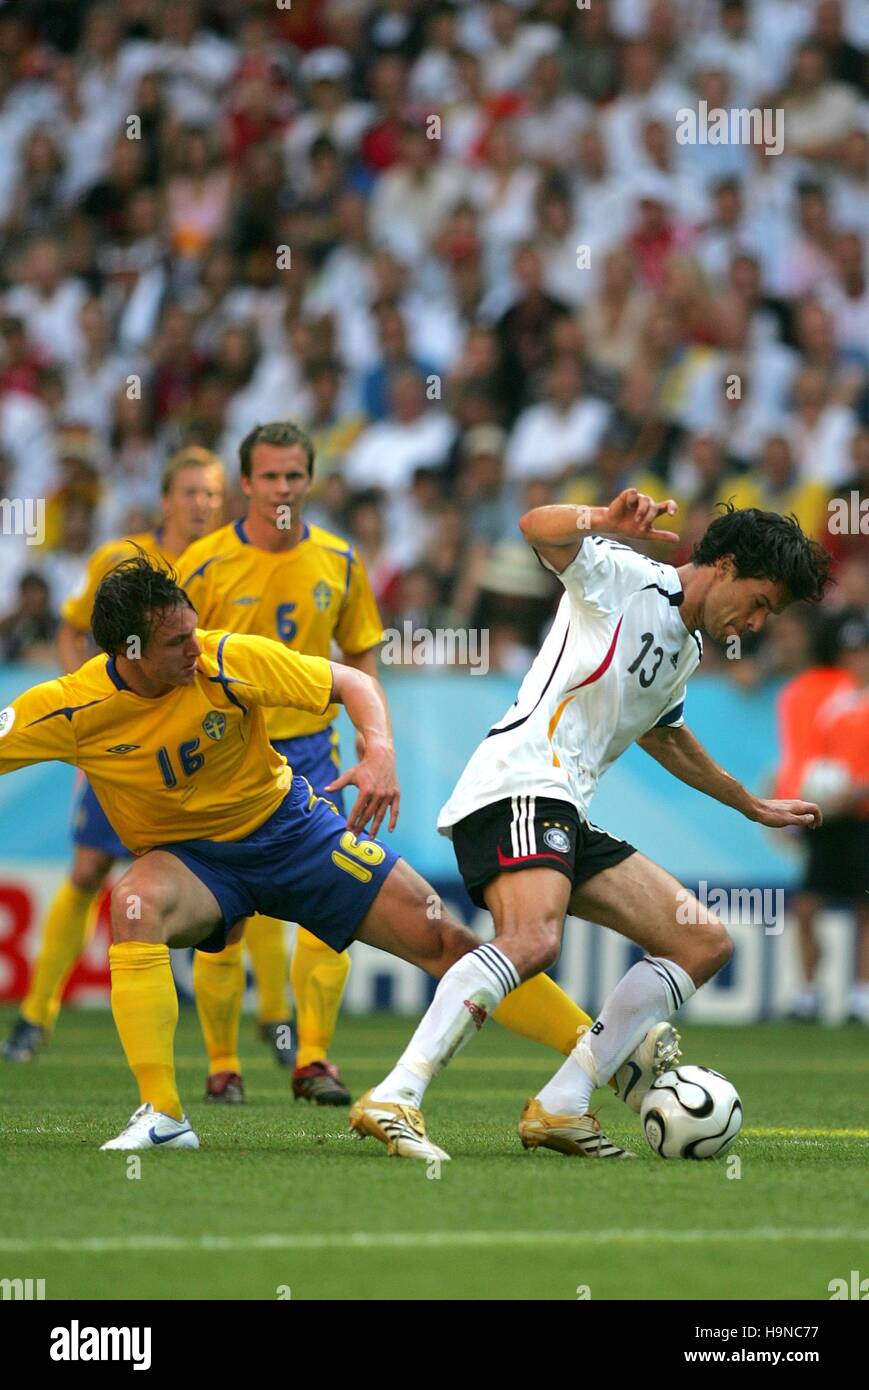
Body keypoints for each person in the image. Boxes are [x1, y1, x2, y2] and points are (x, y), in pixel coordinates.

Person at [0, 553, 668, 1151]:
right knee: (133, 900)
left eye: (194, 633)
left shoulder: (226, 658)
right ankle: (163, 1114)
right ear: (131, 649)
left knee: (443, 939)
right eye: (177, 643)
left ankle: (611, 1058)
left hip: (291, 832)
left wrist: (377, 749)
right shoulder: (68, 707)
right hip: (192, 863)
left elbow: (352, 683)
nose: (195, 651)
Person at [350, 491, 831, 1161]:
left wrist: (746, 803)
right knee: (533, 940)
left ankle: (561, 1104)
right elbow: (534, 528)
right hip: (517, 784)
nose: (752, 622)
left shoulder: (688, 647)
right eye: (758, 602)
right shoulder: (628, 578)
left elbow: (664, 736)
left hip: (562, 810)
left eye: (767, 615)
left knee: (702, 942)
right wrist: (600, 521)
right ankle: (396, 1094)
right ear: (724, 565)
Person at [178, 421, 632, 1105]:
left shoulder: (338, 559)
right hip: (230, 761)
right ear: (245, 483)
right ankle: (221, 1066)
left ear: (309, 480)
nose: (281, 489)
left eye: (294, 476)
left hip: (312, 757)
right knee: (227, 919)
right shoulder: (202, 565)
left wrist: (371, 740)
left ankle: (312, 1059)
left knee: (330, 902)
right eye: (268, 476)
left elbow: (360, 653)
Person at [2, 447, 226, 1062]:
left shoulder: (228, 561)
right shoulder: (119, 560)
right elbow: (72, 627)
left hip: (200, 745)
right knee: (87, 870)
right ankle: (35, 1016)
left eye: (212, 493)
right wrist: (96, 709)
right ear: (166, 499)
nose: (203, 504)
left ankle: (245, 1050)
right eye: (191, 492)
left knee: (231, 877)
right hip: (125, 748)